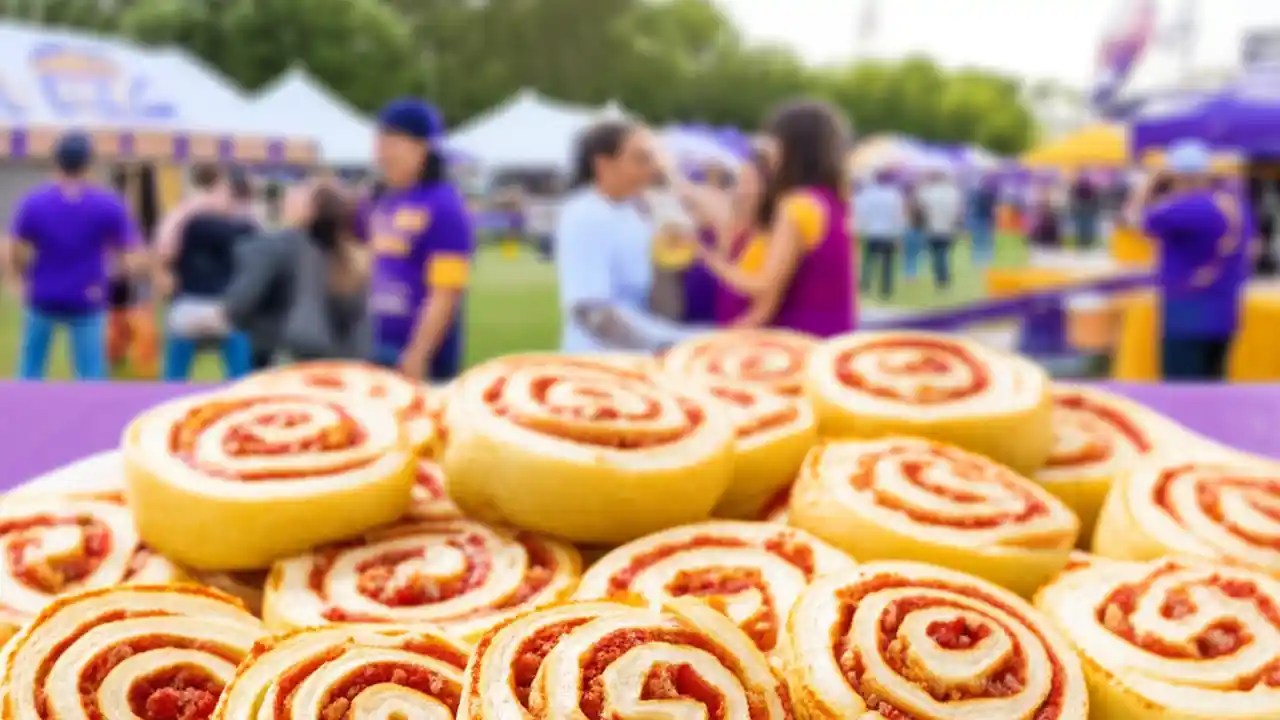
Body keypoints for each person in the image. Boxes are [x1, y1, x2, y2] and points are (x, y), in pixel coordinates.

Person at [698, 100, 855, 335]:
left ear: (790, 147)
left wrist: (710, 260)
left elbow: (764, 284)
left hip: (799, 339)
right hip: (834, 336)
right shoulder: (835, 201)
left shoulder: (797, 205)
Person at [2, 133, 141, 379]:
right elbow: (132, 256)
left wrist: (17, 279)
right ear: (88, 163)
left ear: (56, 162)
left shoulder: (36, 202)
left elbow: (12, 247)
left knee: (30, 369)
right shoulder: (107, 204)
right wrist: (114, 275)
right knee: (90, 372)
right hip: (88, 293)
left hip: (43, 291)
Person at [556, 120, 704, 352]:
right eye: (640, 159)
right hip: (600, 359)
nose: (650, 168)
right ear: (604, 164)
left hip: (640, 354)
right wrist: (665, 343)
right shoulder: (585, 215)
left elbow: (655, 300)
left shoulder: (635, 211)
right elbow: (592, 312)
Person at [366, 98, 473, 381]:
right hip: (375, 350)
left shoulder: (445, 206)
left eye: (392, 143)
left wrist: (418, 354)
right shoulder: (382, 201)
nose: (382, 154)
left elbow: (446, 290)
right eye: (379, 143)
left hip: (421, 361)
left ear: (422, 147)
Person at [221, 181, 369, 364]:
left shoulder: (280, 247)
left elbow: (239, 304)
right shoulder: (353, 259)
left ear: (306, 210)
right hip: (341, 361)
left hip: (286, 355)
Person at [1136, 141, 1245, 381]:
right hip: (1223, 313)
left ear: (1176, 176)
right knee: (1214, 386)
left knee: (1181, 390)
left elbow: (1138, 219)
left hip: (1185, 316)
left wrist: (1149, 184)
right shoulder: (1234, 208)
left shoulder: (1181, 209)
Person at [162, 188, 256, 381]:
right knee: (240, 373)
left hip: (188, 305)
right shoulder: (243, 228)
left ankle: (170, 392)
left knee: (175, 373)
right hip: (227, 306)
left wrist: (184, 210)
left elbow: (165, 249)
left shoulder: (189, 226)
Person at [854, 167, 907, 299]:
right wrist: (898, 234)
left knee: (869, 261)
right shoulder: (894, 195)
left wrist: (860, 229)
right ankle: (886, 289)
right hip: (888, 233)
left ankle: (865, 285)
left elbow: (861, 212)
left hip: (872, 232)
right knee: (887, 263)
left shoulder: (868, 194)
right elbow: (898, 216)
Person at [916, 160, 964, 290]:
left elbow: (919, 201)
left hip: (932, 227)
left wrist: (922, 181)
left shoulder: (929, 191)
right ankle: (944, 278)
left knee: (936, 254)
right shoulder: (953, 192)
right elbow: (959, 211)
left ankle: (940, 279)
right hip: (948, 228)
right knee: (943, 253)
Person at [968, 174, 999, 267]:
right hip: (985, 220)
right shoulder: (991, 195)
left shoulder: (976, 193)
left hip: (979, 220)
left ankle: (978, 261)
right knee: (984, 242)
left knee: (978, 242)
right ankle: (984, 261)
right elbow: (993, 209)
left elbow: (971, 206)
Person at [1070, 172, 1102, 250]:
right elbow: (1096, 200)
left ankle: (1083, 242)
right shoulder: (1091, 188)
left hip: (1083, 210)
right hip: (1086, 210)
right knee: (1086, 227)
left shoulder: (1078, 187)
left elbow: (1074, 198)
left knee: (1083, 228)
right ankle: (1086, 243)